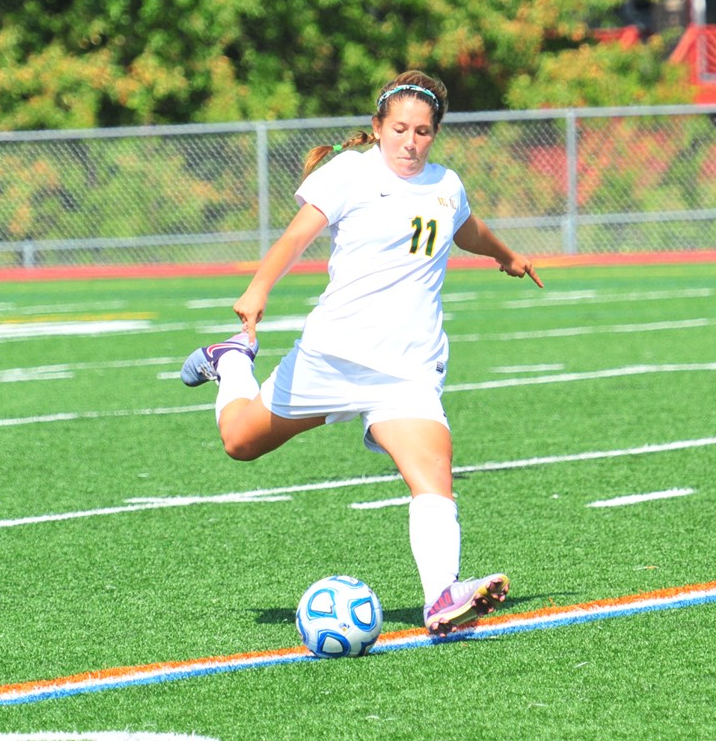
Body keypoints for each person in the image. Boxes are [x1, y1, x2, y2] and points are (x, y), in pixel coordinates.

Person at [180, 70, 543, 637]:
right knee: (240, 442)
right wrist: (258, 289)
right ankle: (229, 360)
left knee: (433, 477)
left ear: (435, 135)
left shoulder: (447, 185)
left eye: (422, 132)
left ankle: (440, 598)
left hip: (408, 369)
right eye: (399, 129)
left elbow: (465, 229)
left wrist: (506, 255)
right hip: (333, 355)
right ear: (377, 127)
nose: (410, 142)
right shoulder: (350, 172)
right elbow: (294, 238)